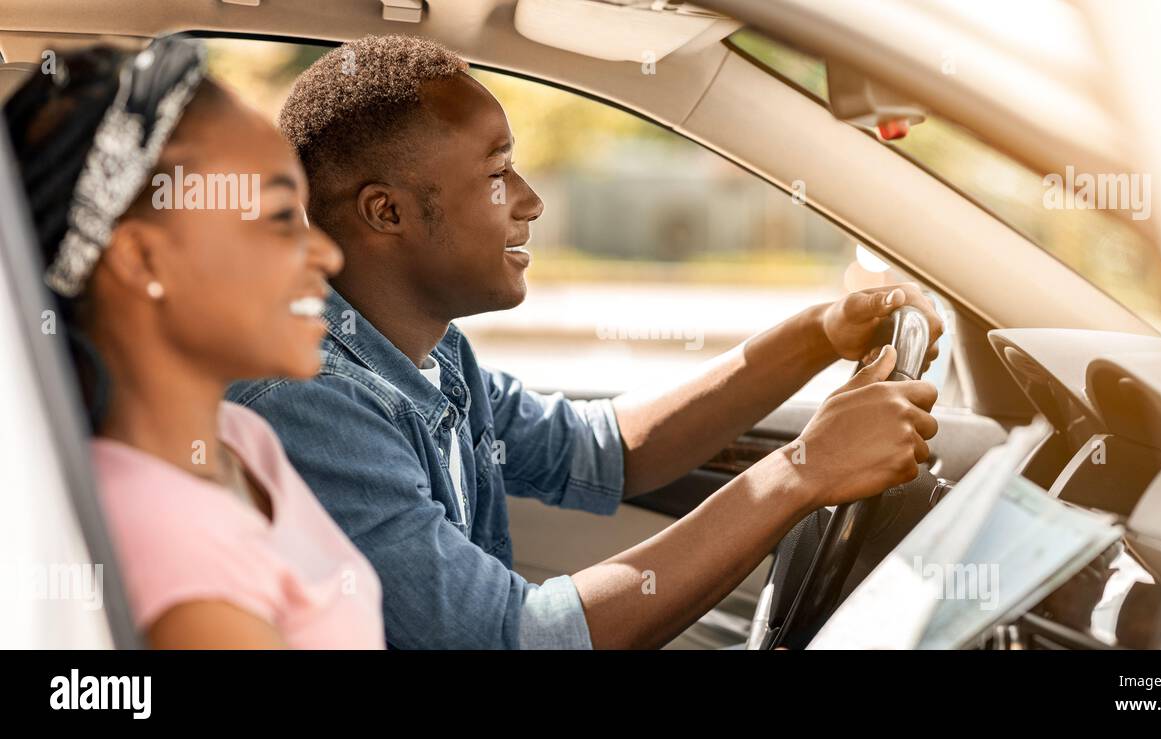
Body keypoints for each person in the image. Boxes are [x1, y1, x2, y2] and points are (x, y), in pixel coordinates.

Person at [230, 34, 943, 649]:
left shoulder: (432, 355)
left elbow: (605, 449)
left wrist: (819, 336)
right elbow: (521, 639)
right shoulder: (306, 402)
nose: (530, 199)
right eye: (495, 174)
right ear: (386, 212)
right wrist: (803, 471)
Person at [4, 36, 383, 648]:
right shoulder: (165, 544)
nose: (328, 253)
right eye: (283, 217)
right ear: (142, 258)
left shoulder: (240, 438)